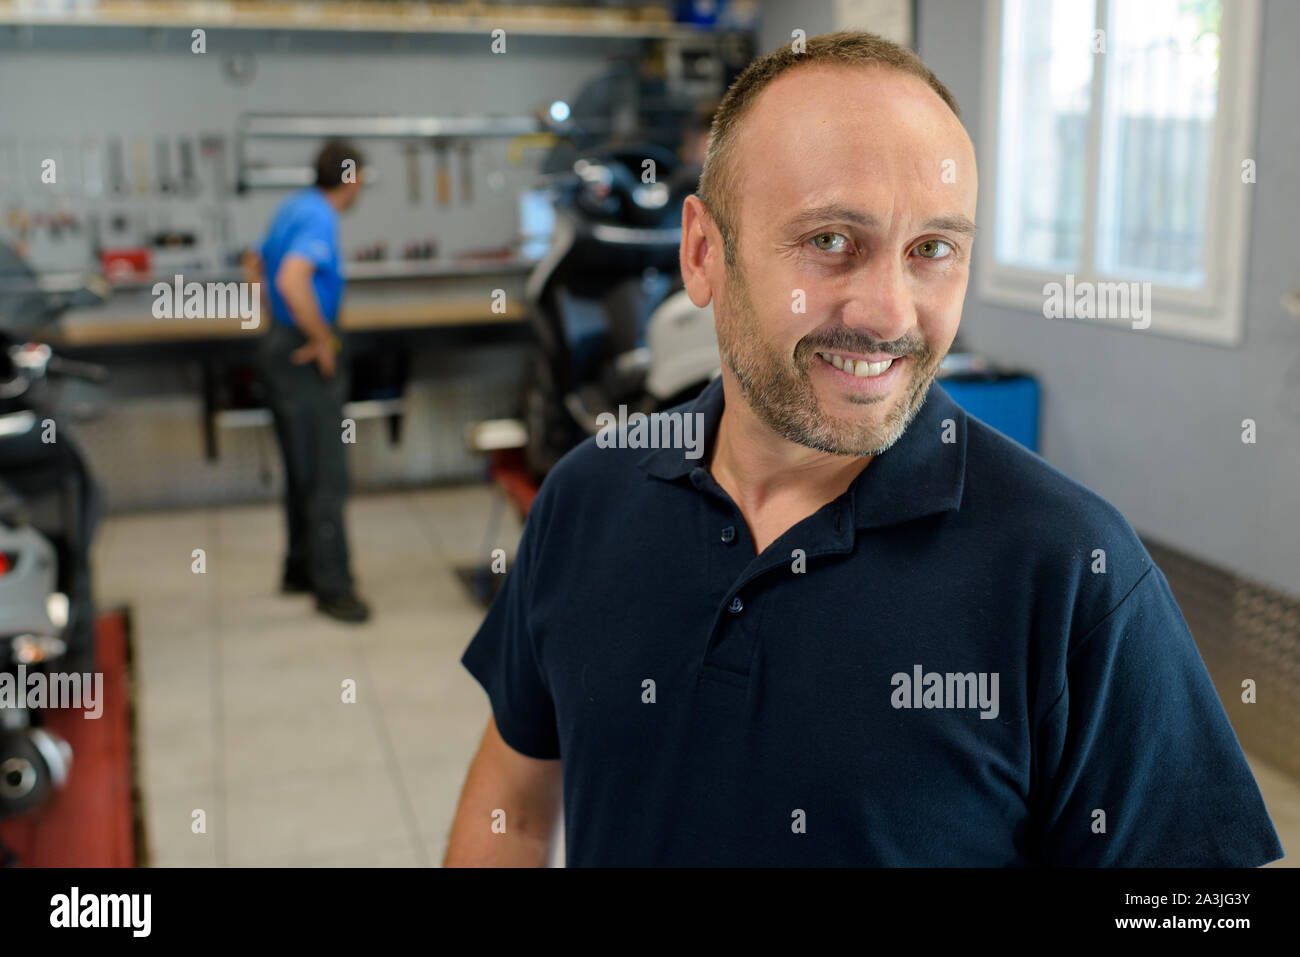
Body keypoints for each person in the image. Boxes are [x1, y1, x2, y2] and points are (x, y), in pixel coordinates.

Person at [445, 32, 1284, 866]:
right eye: (831, 242)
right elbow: (513, 812)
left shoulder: (1072, 571)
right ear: (703, 253)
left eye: (933, 250)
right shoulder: (588, 499)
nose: (889, 314)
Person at [255, 139, 370, 624]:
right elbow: (290, 279)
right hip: (303, 353)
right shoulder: (320, 216)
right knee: (326, 474)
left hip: (281, 345)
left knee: (300, 470)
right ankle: (334, 588)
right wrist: (320, 338)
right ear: (350, 178)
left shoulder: (291, 207)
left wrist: (276, 329)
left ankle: (298, 569)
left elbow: (255, 267)